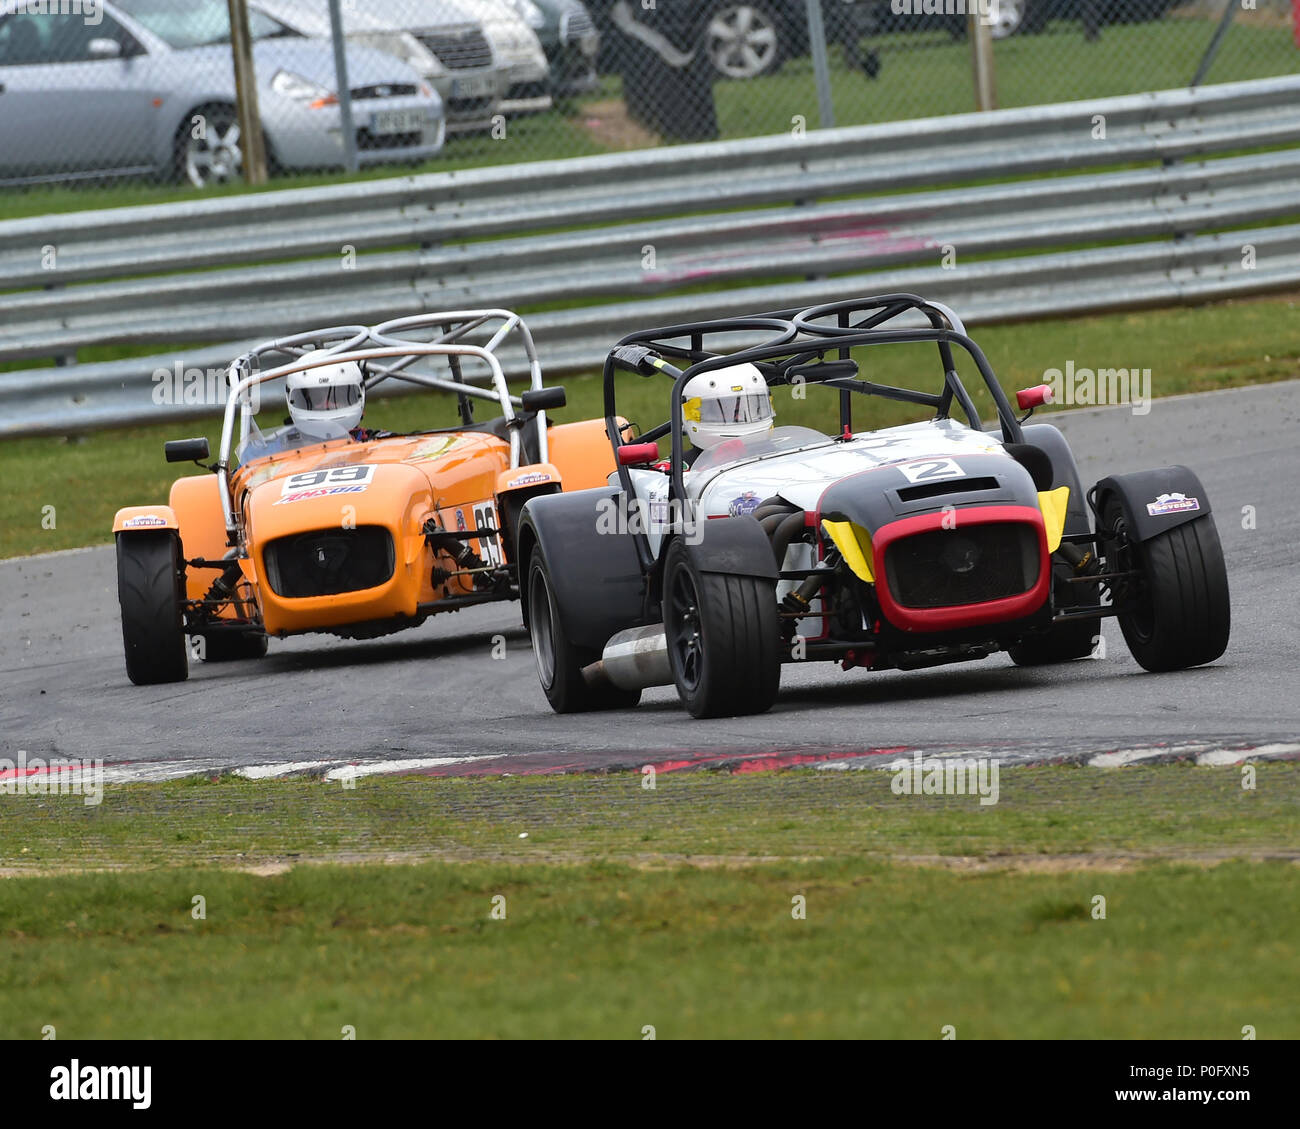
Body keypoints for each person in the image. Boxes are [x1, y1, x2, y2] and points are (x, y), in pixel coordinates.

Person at [680, 362, 774, 466]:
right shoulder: (681, 468)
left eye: (745, 408)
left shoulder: (780, 456)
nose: (738, 417)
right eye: (724, 410)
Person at [284, 361, 368, 440]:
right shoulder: (279, 448)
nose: (326, 405)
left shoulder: (376, 444)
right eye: (316, 399)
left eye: (336, 397)